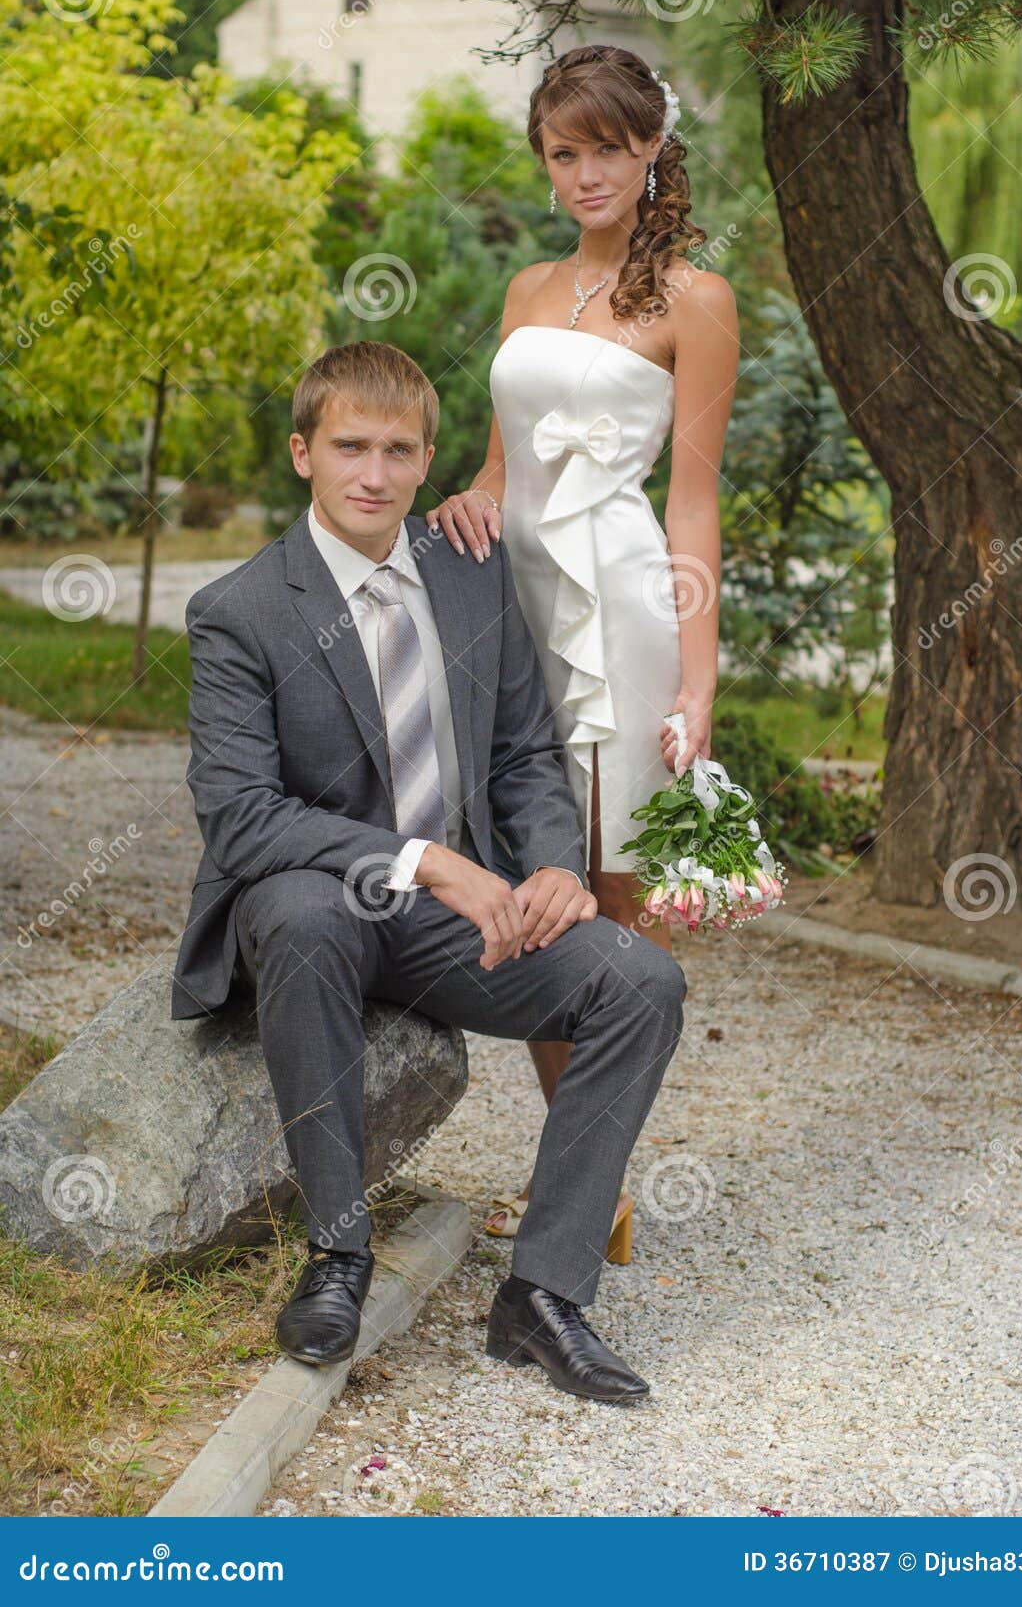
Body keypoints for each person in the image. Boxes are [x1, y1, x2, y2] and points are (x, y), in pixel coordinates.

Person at [171, 339, 687, 1406]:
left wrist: (553, 869)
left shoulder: (467, 576)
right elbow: (239, 816)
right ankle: (340, 1253)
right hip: (321, 902)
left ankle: (543, 1295)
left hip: (462, 924)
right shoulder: (243, 609)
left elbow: (521, 755)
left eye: (397, 450)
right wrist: (425, 859)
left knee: (642, 980)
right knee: (308, 913)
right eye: (349, 447)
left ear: (427, 458)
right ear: (302, 453)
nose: (374, 472)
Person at [426, 46, 738, 1248]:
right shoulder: (523, 289)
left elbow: (693, 505)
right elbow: (500, 476)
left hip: (621, 614)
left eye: (609, 146)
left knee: (604, 910)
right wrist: (459, 502)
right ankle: (591, 1191)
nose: (586, 172)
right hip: (513, 616)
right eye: (565, 152)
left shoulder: (696, 301)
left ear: (652, 145)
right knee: (521, 885)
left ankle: (581, 1188)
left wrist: (697, 682)